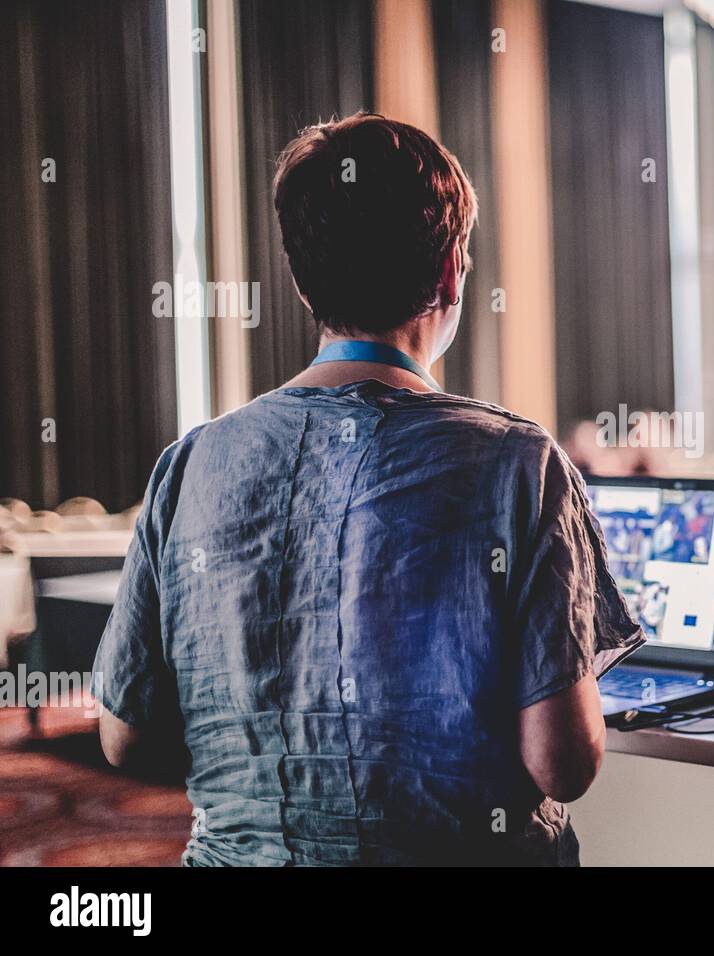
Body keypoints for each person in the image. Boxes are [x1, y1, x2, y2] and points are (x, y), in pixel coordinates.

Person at [92, 113, 642, 866]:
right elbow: (563, 765)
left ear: (302, 281)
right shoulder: (518, 465)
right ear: (451, 272)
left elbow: (123, 735)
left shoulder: (189, 465)